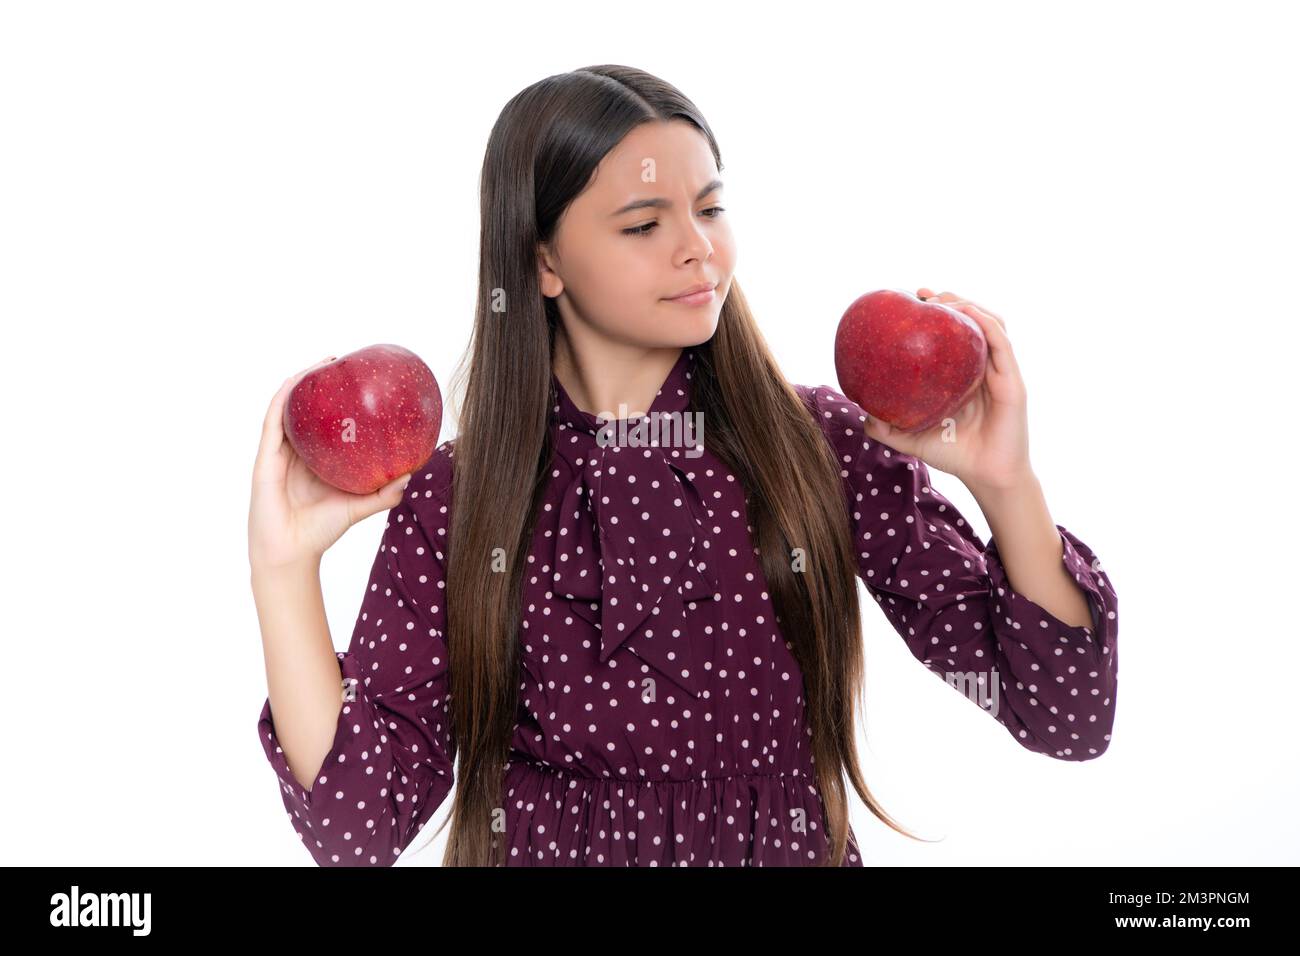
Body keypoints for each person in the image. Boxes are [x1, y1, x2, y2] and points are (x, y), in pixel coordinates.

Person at [247, 64, 1119, 867]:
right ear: (542, 261)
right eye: (643, 223)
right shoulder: (461, 496)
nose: (698, 249)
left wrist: (1008, 487)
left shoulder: (822, 443)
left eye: (710, 208)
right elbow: (355, 828)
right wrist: (283, 571)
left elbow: (1067, 719)